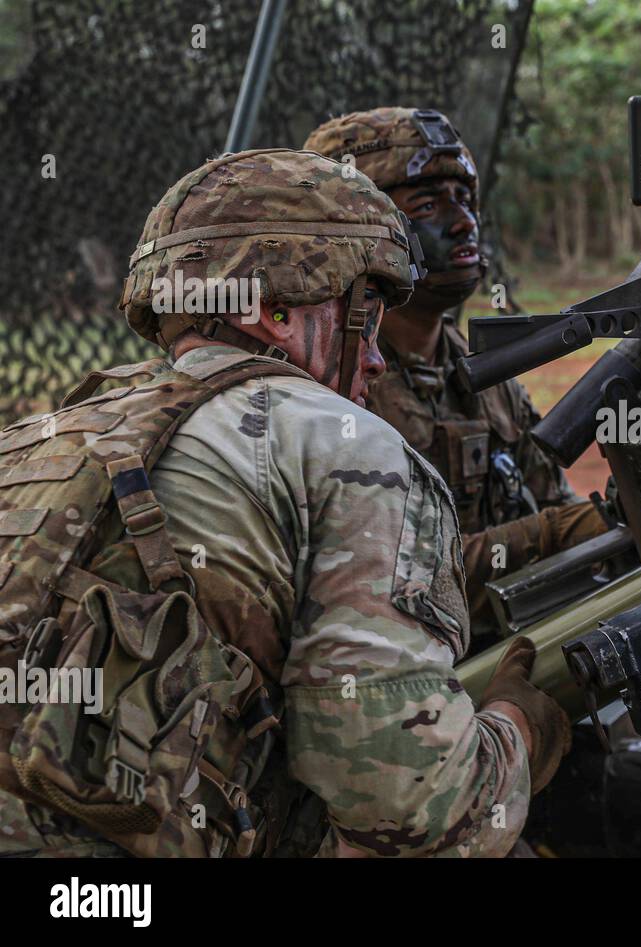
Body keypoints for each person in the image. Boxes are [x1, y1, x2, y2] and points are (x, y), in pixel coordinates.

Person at [0, 148, 568, 857]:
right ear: (273, 312)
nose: (377, 358)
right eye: (367, 307)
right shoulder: (344, 444)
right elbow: (422, 814)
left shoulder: (43, 436)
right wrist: (522, 723)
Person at [303, 109, 608, 646]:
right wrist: (568, 531)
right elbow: (388, 577)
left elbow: (550, 496)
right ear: (358, 232)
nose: (464, 223)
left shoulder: (481, 374)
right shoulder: (330, 389)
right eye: (426, 205)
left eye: (465, 201)